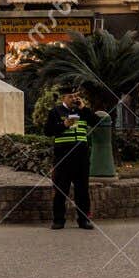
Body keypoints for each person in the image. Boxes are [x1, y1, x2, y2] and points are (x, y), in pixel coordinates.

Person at [43, 89, 93, 231]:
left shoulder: (82, 111)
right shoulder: (55, 112)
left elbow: (96, 121)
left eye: (76, 96)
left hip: (81, 156)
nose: (74, 99)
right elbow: (48, 131)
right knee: (61, 189)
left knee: (82, 190)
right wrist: (63, 125)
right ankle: (58, 220)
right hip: (63, 156)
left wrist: (84, 108)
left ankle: (84, 220)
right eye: (71, 96)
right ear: (63, 98)